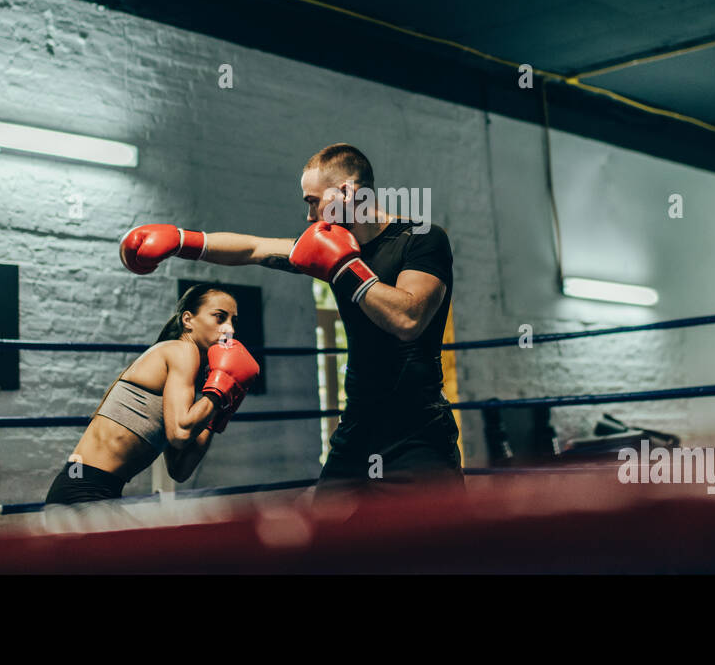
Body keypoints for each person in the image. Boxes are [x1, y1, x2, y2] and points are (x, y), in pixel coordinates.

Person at [119, 143, 462, 498]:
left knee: (430, 546)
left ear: (346, 192)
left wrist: (344, 267)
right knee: (320, 540)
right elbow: (254, 249)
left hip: (417, 429)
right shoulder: (334, 245)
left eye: (313, 201)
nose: (310, 216)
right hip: (358, 427)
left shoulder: (421, 239)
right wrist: (181, 241)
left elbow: (408, 318)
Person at [44, 283, 260, 506]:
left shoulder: (188, 377)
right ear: (188, 320)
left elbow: (180, 469)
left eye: (233, 320)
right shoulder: (181, 351)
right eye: (219, 317)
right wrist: (219, 392)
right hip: (80, 489)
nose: (229, 329)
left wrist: (219, 412)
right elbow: (180, 433)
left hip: (88, 487)